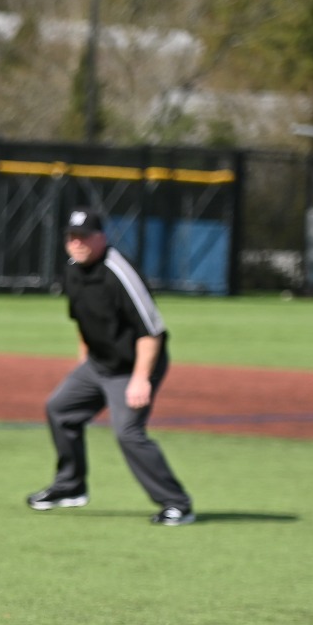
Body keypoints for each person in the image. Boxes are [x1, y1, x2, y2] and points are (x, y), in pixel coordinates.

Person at [28, 209, 195, 526]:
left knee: (128, 433)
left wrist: (141, 380)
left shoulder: (119, 272)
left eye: (85, 237)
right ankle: (70, 486)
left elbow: (152, 331)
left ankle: (177, 504)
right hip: (98, 363)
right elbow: (82, 320)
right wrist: (84, 363)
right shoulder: (73, 270)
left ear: (101, 238)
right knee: (59, 408)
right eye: (72, 237)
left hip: (135, 366)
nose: (77, 243)